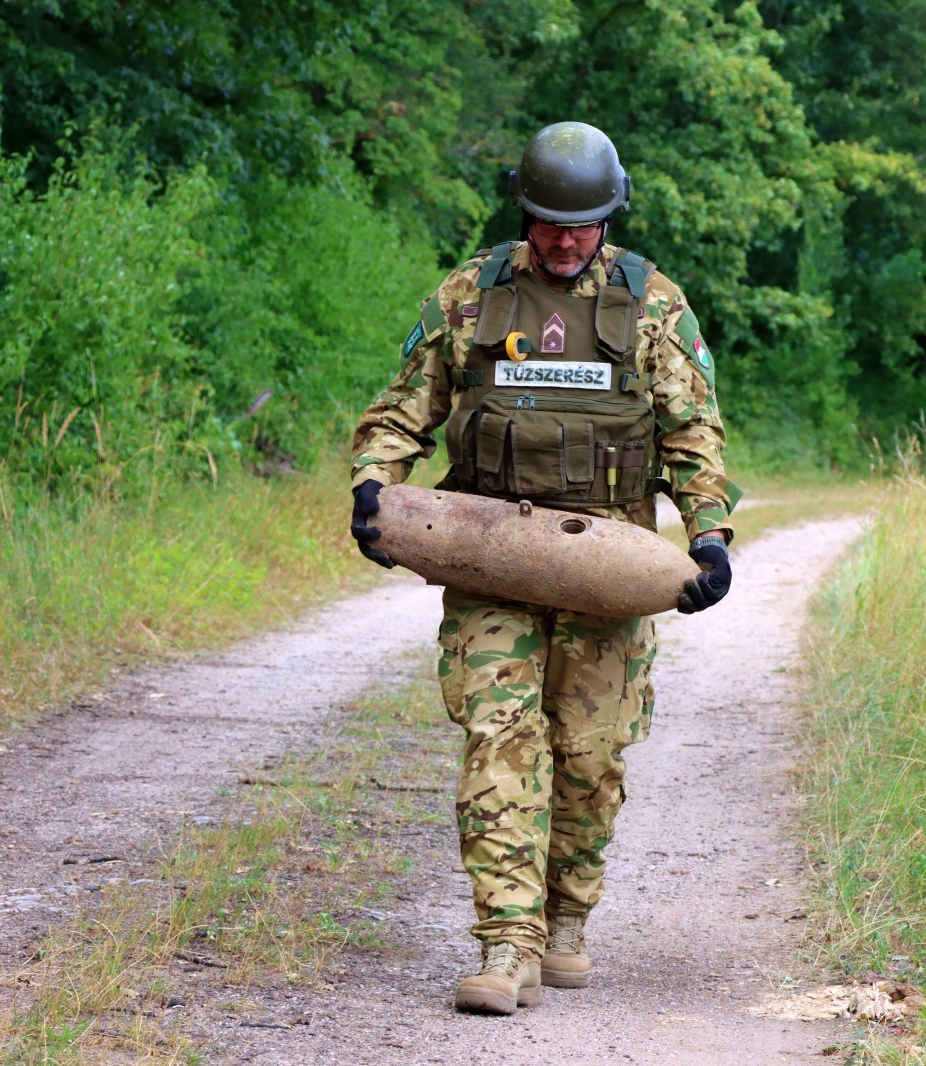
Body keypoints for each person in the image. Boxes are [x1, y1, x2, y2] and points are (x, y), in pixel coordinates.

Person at [347, 121, 741, 1015]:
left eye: (584, 225)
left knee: (590, 755)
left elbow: (693, 438)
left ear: (611, 215)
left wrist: (709, 536)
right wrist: (377, 485)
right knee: (500, 734)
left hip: (604, 564)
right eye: (550, 223)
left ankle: (566, 919)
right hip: (491, 553)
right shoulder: (470, 297)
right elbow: (406, 407)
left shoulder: (652, 307)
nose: (566, 241)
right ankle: (507, 941)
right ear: (524, 211)